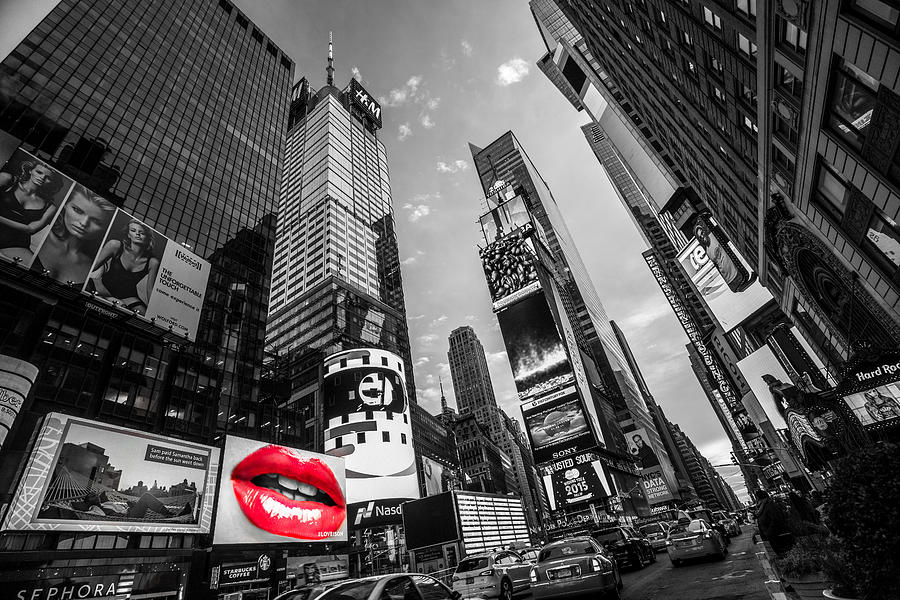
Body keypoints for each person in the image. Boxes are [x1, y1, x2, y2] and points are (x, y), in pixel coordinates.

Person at [33, 184, 115, 285]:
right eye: (77, 210)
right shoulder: (35, 236)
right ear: (65, 204)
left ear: (105, 227)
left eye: (95, 221)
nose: (84, 223)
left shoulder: (97, 269)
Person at [87, 219, 160, 314]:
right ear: (129, 234)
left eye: (141, 232)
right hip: (102, 286)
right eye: (133, 231)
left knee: (143, 315)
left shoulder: (152, 262)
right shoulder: (115, 245)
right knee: (81, 286)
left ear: (147, 237)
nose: (137, 234)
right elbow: (93, 267)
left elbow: (150, 290)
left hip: (128, 297)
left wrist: (152, 314)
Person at [0, 159, 59, 262]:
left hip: (15, 243)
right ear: (31, 170)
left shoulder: (50, 206)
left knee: (36, 270)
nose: (42, 178)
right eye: (39, 172)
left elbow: (31, 229)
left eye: (48, 177)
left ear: (52, 182)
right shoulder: (7, 179)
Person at [694, 220, 740, 287]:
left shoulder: (713, 235)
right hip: (729, 279)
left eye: (701, 233)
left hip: (736, 273)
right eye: (699, 237)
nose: (701, 236)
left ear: (704, 231)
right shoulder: (707, 251)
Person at [754, 489, 794, 555]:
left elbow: (776, 519)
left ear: (759, 498)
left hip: (779, 536)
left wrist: (769, 532)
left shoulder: (770, 505)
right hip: (771, 537)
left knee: (785, 554)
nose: (756, 499)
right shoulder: (761, 507)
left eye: (756, 497)